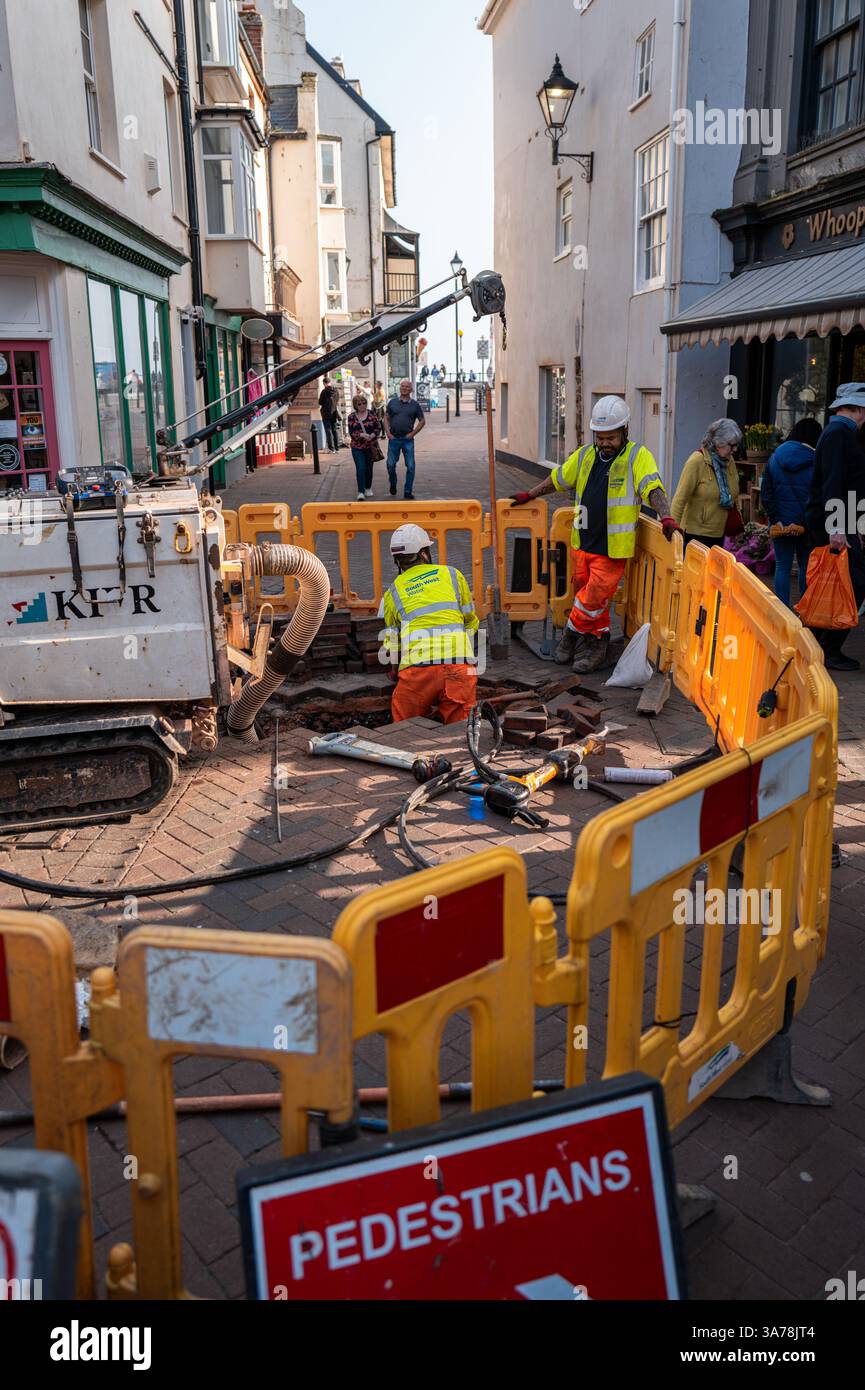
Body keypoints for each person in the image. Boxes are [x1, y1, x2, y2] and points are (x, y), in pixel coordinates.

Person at [509, 396, 679, 673]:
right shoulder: (586, 454)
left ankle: (570, 637)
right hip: (582, 543)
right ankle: (597, 642)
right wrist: (531, 493)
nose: (604, 443)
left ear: (625, 431)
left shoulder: (638, 456)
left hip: (612, 549)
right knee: (592, 602)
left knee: (592, 598)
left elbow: (653, 488)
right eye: (600, 437)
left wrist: (666, 515)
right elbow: (558, 478)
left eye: (610, 437)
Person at [380, 524, 479, 723]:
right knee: (461, 731)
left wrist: (394, 671)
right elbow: (470, 622)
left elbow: (393, 642)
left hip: (417, 671)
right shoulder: (452, 574)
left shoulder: (393, 592)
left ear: (397, 560)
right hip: (458, 667)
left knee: (403, 727)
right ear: (424, 553)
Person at [805, 383, 865, 672]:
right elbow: (834, 482)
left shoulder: (838, 433)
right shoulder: (840, 435)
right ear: (859, 410)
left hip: (838, 519)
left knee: (841, 582)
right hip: (836, 522)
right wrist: (837, 528)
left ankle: (818, 644)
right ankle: (824, 646)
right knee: (849, 583)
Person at [761, 417, 821, 607]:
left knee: (782, 566)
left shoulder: (775, 456)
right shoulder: (816, 460)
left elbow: (766, 492)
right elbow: (816, 495)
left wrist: (775, 518)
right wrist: (803, 522)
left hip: (780, 523)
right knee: (805, 566)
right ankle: (805, 610)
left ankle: (782, 610)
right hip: (805, 524)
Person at [669, 419, 743, 549]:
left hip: (720, 535)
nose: (735, 449)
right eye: (732, 445)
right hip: (695, 536)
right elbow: (679, 500)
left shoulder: (729, 462)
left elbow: (734, 496)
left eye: (737, 445)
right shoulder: (697, 461)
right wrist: (672, 534)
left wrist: (738, 525)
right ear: (718, 442)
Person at [385, 379, 426, 499]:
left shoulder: (415, 405)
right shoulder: (392, 403)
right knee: (390, 465)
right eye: (402, 386)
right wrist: (388, 433)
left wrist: (413, 434)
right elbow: (386, 418)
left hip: (408, 439)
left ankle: (408, 491)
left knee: (411, 466)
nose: (404, 388)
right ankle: (393, 484)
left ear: (411, 390)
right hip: (394, 439)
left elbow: (422, 421)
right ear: (400, 388)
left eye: (407, 386)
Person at [347, 393, 383, 501]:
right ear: (355, 405)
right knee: (360, 468)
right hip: (357, 447)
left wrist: (372, 435)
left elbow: (378, 427)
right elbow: (351, 432)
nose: (362, 405)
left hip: (370, 446)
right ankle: (361, 491)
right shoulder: (351, 417)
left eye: (364, 403)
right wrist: (361, 435)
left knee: (368, 468)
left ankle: (368, 487)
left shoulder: (372, 414)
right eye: (359, 404)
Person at [318, 377, 341, 453]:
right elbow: (337, 400)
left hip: (326, 413)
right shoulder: (336, 390)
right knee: (334, 430)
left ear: (324, 383)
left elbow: (320, 402)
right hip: (334, 413)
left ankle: (331, 449)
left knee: (328, 431)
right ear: (330, 382)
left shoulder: (324, 392)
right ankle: (337, 448)